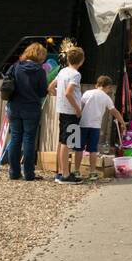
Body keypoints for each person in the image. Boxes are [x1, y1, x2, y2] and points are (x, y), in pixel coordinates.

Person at [7, 42, 49, 181]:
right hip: (31, 108)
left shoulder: (16, 66)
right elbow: (43, 91)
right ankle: (29, 174)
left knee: (15, 138)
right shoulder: (40, 71)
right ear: (41, 56)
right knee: (29, 140)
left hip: (14, 107)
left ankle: (14, 173)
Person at [77, 75, 127, 181]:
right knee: (93, 150)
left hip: (83, 124)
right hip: (95, 126)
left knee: (79, 148)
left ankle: (76, 171)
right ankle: (92, 172)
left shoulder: (87, 93)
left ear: (97, 84)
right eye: (109, 88)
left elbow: (80, 106)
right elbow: (114, 111)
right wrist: (122, 122)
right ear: (108, 87)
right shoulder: (106, 97)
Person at [50, 46, 86, 184]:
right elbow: (69, 92)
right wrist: (77, 108)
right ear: (81, 61)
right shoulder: (76, 74)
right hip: (71, 111)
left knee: (62, 140)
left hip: (62, 110)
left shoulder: (63, 71)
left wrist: (59, 98)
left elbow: (51, 87)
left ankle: (60, 171)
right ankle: (65, 174)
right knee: (67, 142)